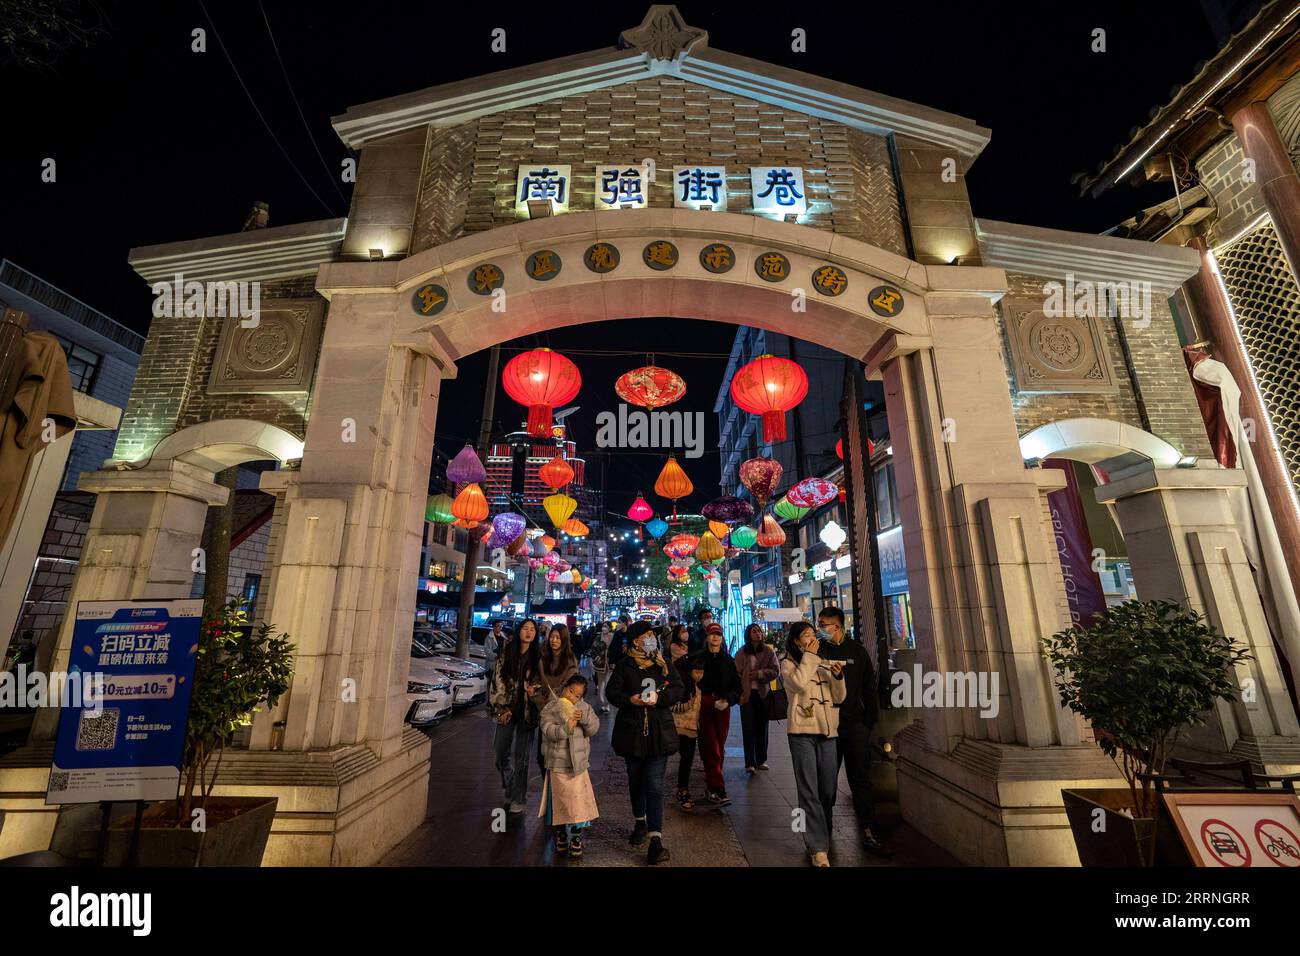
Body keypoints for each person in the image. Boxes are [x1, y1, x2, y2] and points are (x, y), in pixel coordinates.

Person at [605, 619, 684, 864]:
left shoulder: (663, 663)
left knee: (655, 784)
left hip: (659, 732)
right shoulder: (625, 665)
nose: (652, 639)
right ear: (637, 640)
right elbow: (612, 693)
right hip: (633, 733)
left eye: (654, 635)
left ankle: (656, 840)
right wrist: (633, 700)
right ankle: (640, 821)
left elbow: (679, 689)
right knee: (636, 781)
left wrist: (660, 700)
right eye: (648, 635)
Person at [817, 605, 890, 856]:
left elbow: (869, 687)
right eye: (820, 624)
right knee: (826, 780)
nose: (821, 629)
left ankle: (869, 829)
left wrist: (869, 720)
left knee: (860, 779)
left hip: (855, 725)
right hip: (828, 725)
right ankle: (822, 829)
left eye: (825, 625)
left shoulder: (857, 652)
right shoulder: (819, 651)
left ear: (839, 626)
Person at [782, 620, 846, 867]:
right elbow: (797, 684)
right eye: (805, 635)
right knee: (808, 789)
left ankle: (821, 826)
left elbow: (840, 696)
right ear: (797, 641)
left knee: (828, 788)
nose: (811, 637)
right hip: (801, 732)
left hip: (828, 731)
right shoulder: (789, 664)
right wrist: (809, 656)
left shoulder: (824, 662)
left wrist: (839, 678)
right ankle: (817, 847)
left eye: (812, 634)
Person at [538, 674, 600, 858]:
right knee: (559, 804)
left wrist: (584, 720)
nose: (572, 697)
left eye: (577, 695)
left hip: (578, 767)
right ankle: (560, 835)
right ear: (564, 687)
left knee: (578, 805)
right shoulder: (551, 708)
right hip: (557, 765)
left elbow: (594, 728)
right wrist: (566, 728)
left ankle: (576, 837)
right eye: (570, 691)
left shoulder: (584, 708)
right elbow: (548, 731)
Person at [488, 618, 543, 814]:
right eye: (525, 628)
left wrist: (534, 690)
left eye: (532, 630)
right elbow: (497, 682)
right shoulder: (506, 653)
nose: (529, 632)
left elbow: (542, 683)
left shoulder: (539, 656)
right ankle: (511, 782)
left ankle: (518, 798)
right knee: (500, 754)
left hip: (528, 713)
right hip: (506, 711)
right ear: (519, 631)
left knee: (522, 757)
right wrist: (501, 708)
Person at [692, 622, 740, 805]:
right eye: (712, 634)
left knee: (719, 746)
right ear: (707, 637)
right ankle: (718, 788)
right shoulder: (698, 658)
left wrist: (727, 700)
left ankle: (712, 786)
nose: (715, 637)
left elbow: (736, 686)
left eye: (718, 634)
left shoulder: (728, 660)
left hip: (723, 707)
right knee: (711, 747)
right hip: (704, 705)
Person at [533, 624, 579, 770]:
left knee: (559, 758)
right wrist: (536, 695)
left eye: (558, 638)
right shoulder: (542, 660)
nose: (554, 640)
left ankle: (556, 791)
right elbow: (537, 683)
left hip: (562, 715)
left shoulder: (570, 661)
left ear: (564, 640)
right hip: (545, 714)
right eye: (552, 637)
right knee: (542, 757)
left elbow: (568, 689)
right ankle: (548, 791)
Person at [736, 623, 779, 773]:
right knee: (748, 728)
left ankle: (761, 759)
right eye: (754, 631)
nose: (757, 633)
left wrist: (760, 674)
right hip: (747, 694)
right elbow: (737, 674)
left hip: (763, 694)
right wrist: (739, 694)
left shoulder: (768, 651)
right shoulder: (742, 652)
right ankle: (750, 762)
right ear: (748, 634)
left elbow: (775, 670)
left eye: (759, 631)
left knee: (762, 727)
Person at [670, 654, 705, 811]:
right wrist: (686, 705)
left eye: (701, 672)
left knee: (687, 761)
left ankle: (682, 789)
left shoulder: (700, 688)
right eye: (696, 672)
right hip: (678, 728)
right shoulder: (683, 686)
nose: (699, 675)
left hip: (692, 730)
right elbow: (672, 706)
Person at [590, 622, 613, 714]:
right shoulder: (598, 637)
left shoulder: (613, 637)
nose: (604, 628)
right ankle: (603, 703)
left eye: (606, 626)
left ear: (610, 628)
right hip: (600, 665)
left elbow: (615, 649)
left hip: (610, 664)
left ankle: (607, 704)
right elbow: (593, 649)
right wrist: (597, 658)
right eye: (603, 626)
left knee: (608, 684)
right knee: (601, 685)